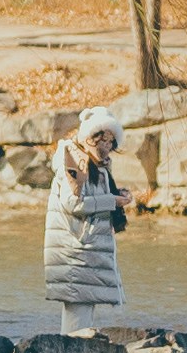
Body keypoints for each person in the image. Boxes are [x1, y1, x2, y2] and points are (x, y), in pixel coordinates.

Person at [46, 120, 131, 325]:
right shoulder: (74, 162)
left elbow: (90, 196)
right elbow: (73, 203)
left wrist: (117, 194)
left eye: (110, 142)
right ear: (87, 138)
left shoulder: (96, 165)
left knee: (83, 316)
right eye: (102, 140)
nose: (106, 147)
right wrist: (112, 201)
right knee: (77, 320)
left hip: (86, 251)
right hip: (76, 251)